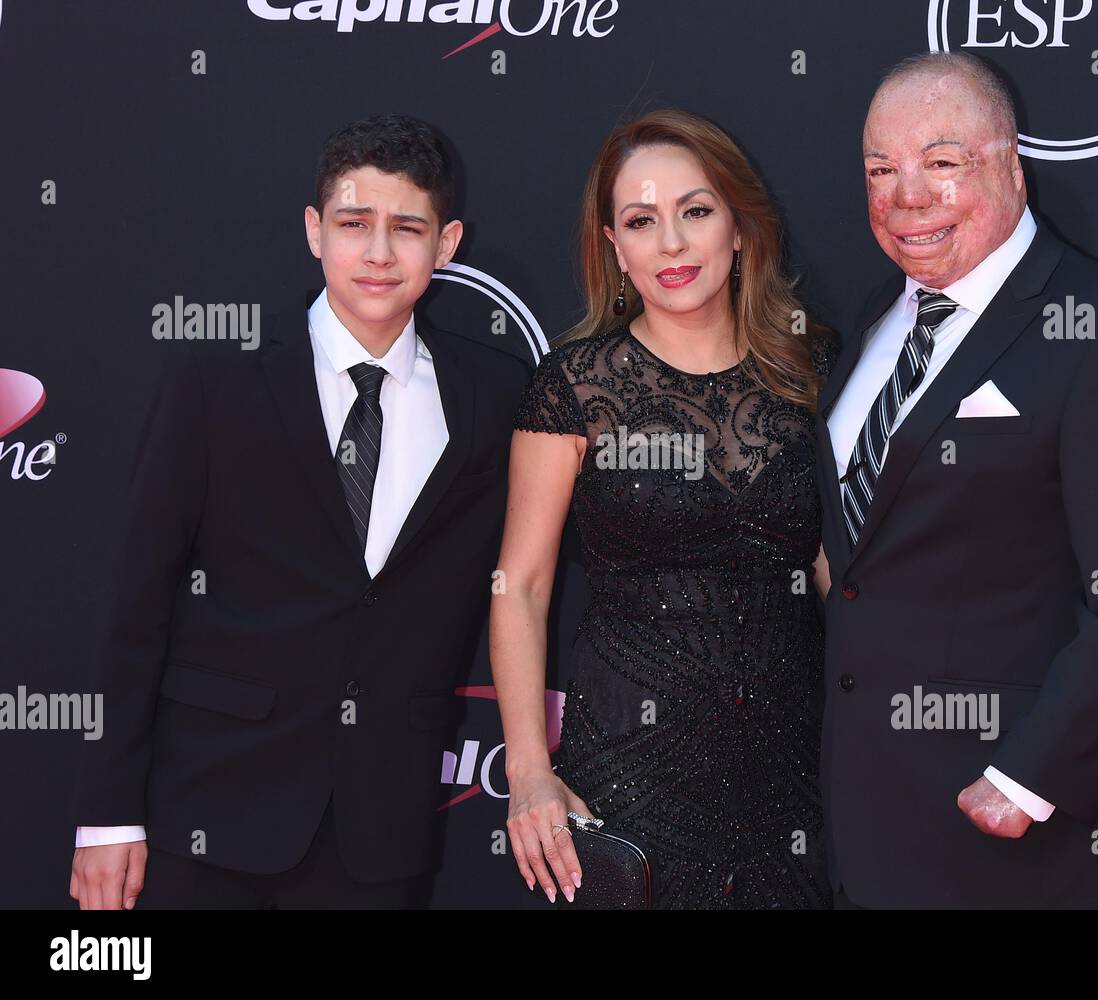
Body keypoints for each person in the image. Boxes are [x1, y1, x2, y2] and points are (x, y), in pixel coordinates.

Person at [69, 114, 529, 908]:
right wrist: (108, 816)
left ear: (447, 244)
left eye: (406, 228)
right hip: (206, 812)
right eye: (355, 224)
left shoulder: (495, 395)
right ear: (316, 232)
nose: (379, 253)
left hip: (382, 829)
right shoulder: (219, 380)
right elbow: (137, 602)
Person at [818, 53, 1098, 908]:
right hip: (872, 827)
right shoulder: (874, 321)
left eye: (943, 162)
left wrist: (1027, 779)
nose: (906, 196)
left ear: (1012, 166)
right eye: (881, 169)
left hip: (1033, 838)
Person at [491, 109, 838, 909]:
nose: (672, 245)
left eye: (696, 211)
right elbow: (523, 584)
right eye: (643, 221)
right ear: (615, 246)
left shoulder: (814, 367)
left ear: (742, 227)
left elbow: (836, 569)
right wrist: (530, 773)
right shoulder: (574, 387)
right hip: (629, 769)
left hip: (794, 764)